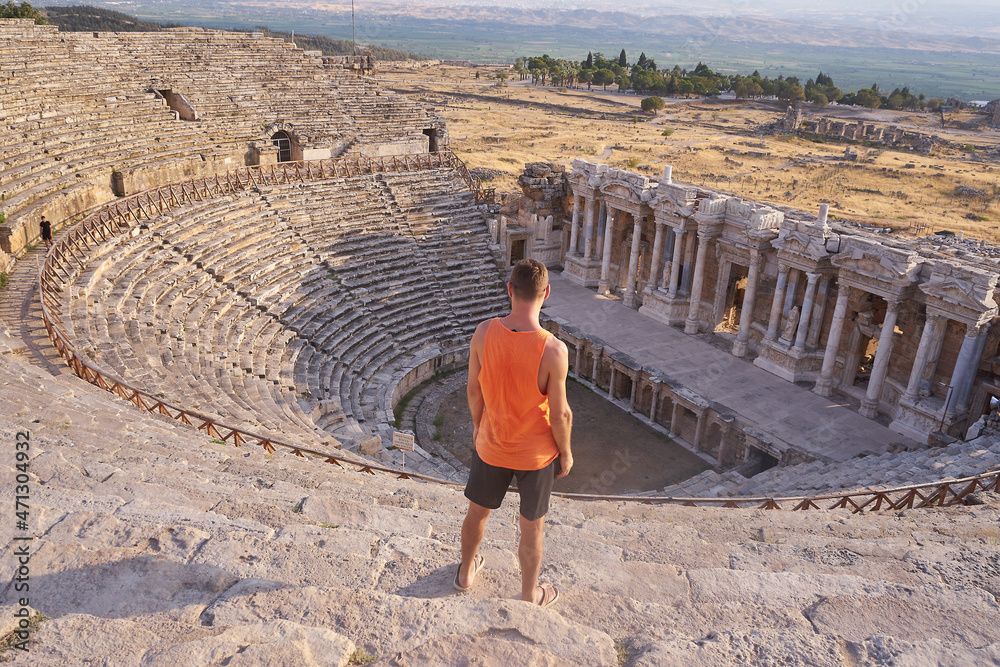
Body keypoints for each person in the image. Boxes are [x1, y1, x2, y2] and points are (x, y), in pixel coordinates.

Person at [456, 258, 573, 607]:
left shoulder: (483, 332)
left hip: (491, 444)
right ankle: (528, 595)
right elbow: (561, 413)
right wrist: (565, 453)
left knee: (476, 513)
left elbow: (474, 391)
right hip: (536, 456)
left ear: (510, 290)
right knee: (532, 528)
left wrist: (480, 427)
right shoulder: (553, 349)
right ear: (546, 293)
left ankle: (465, 574)